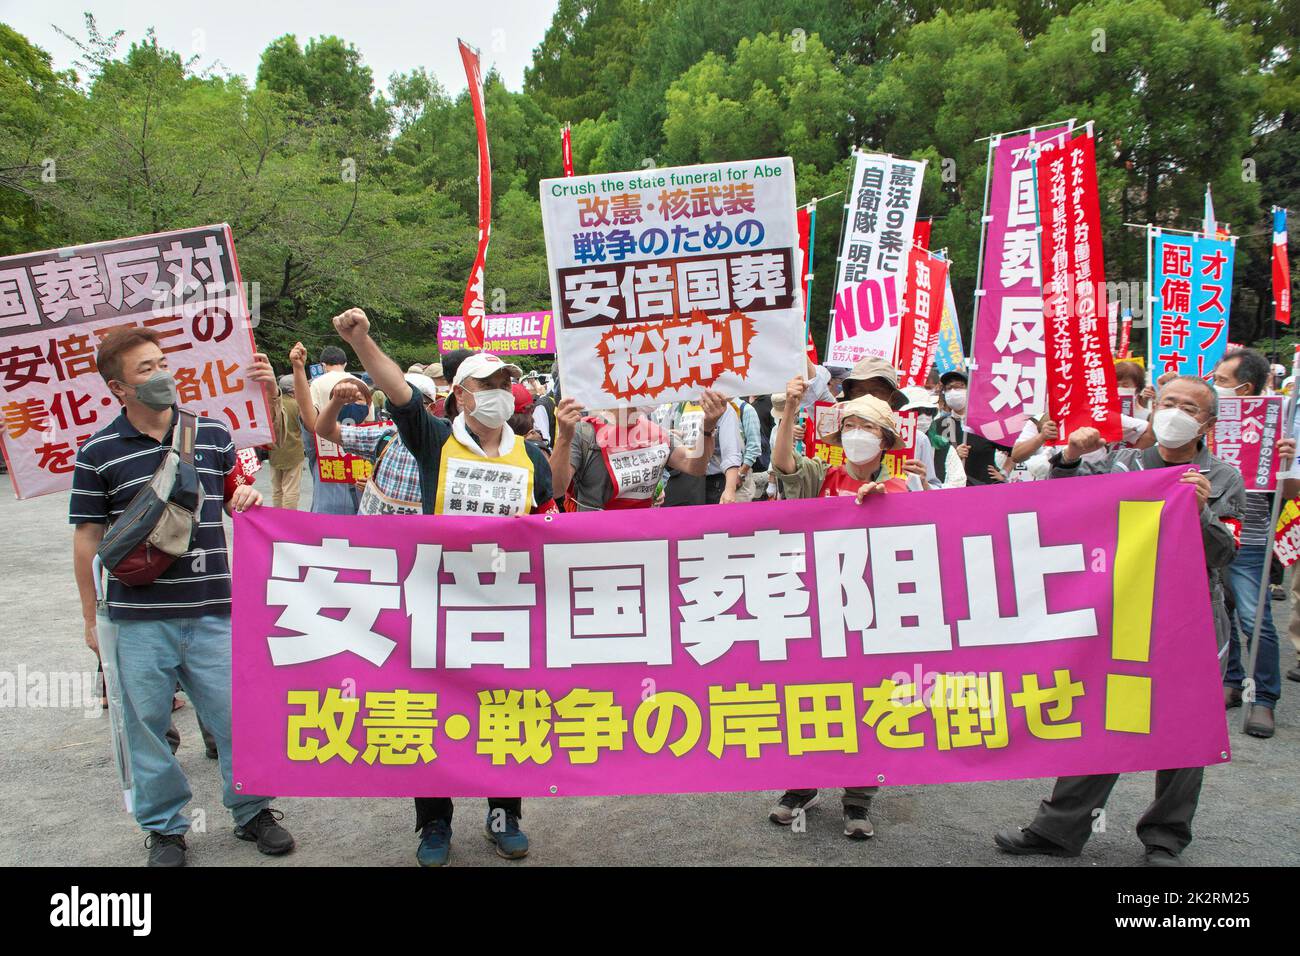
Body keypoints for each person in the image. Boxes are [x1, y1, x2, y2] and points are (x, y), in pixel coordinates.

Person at [331, 307, 555, 866]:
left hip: (504, 609)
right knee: (428, 713)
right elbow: (399, 391)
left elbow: (549, 525)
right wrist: (361, 341)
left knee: (506, 711)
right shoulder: (433, 439)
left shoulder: (530, 456)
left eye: (506, 384)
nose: (500, 393)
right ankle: (434, 824)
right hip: (435, 605)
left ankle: (505, 816)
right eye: (487, 385)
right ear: (460, 396)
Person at [995, 374, 1244, 866]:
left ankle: (1165, 839)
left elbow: (1225, 554)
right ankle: (1059, 829)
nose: (1175, 413)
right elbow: (1063, 509)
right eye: (1167, 401)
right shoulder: (1123, 463)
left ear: (1207, 424)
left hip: (1190, 617)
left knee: (1185, 727)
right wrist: (1067, 458)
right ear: (1150, 408)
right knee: (1103, 715)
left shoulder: (1222, 477)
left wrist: (1200, 513)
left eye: (1189, 408)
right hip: (1122, 610)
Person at [69, 327, 295, 867]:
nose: (161, 374)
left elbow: (237, 495)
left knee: (236, 716)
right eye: (145, 369)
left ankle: (253, 810)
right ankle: (166, 829)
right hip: (137, 617)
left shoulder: (212, 435)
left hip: (213, 609)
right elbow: (87, 539)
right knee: (145, 725)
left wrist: (245, 493)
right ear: (117, 388)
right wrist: (88, 620)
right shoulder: (98, 452)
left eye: (162, 362)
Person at [765, 377, 927, 840]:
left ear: (884, 440)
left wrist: (888, 500)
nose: (857, 433)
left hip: (878, 617)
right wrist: (791, 410)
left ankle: (859, 800)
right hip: (819, 612)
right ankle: (801, 787)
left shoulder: (903, 484)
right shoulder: (822, 476)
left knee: (872, 705)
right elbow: (782, 463)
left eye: (866, 427)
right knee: (813, 701)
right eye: (850, 425)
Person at [1214, 348, 1297, 738]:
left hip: (1250, 542)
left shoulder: (1277, 429)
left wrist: (1286, 464)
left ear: (1244, 388)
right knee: (1222, 613)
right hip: (1212, 536)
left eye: (1223, 382)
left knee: (1255, 620)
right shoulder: (1208, 421)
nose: (1217, 388)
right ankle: (1232, 682)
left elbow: (1292, 490)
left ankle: (1264, 698)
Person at [549, 390, 728, 511]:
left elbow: (694, 466)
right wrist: (564, 438)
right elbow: (555, 489)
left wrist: (707, 427)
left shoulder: (656, 433)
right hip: (592, 538)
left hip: (641, 537)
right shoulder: (583, 432)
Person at [660, 398, 742, 506]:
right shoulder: (677, 407)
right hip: (683, 482)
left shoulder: (721, 407)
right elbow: (662, 442)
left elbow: (731, 452)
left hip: (712, 484)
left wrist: (729, 489)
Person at [930, 369, 999, 485]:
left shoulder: (986, 424)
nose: (953, 391)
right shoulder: (937, 425)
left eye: (958, 387)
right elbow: (932, 457)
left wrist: (1004, 473)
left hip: (984, 488)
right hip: (952, 490)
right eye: (948, 388)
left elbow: (1013, 448)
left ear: (969, 390)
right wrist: (953, 454)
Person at [267, 374, 305, 509]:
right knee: (291, 490)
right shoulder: (297, 405)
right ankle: (289, 520)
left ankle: (278, 517)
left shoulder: (271, 404)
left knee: (277, 490)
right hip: (294, 451)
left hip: (274, 451)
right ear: (293, 389)